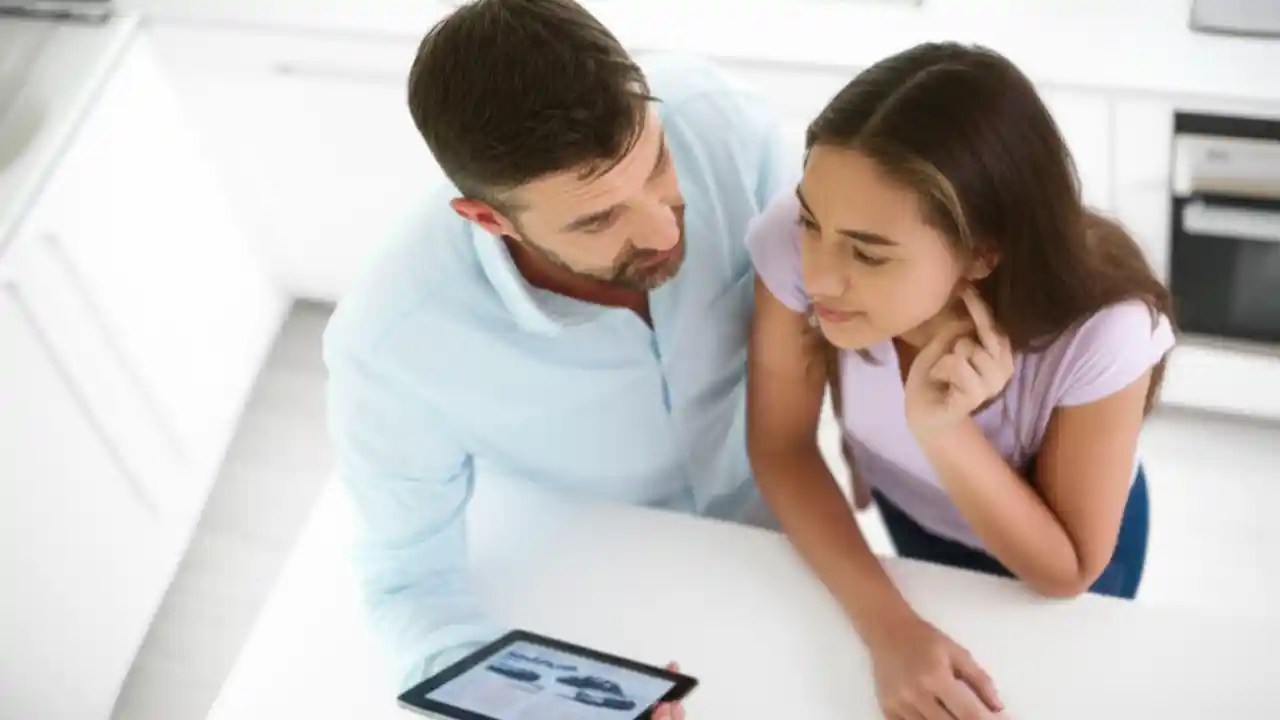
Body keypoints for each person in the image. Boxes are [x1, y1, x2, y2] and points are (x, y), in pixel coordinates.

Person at [322, 1, 791, 714]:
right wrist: (538, 705)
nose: (666, 226)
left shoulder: (720, 118)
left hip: (785, 538)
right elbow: (406, 584)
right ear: (489, 219)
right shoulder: (390, 344)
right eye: (599, 217)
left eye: (657, 161)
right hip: (595, 589)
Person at [746, 43, 1175, 720]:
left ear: (982, 252)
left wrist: (943, 431)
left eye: (867, 251)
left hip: (1063, 547)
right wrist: (891, 628)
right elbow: (780, 447)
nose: (818, 274)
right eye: (810, 221)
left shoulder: (1107, 331)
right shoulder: (796, 244)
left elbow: (1064, 571)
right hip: (913, 516)